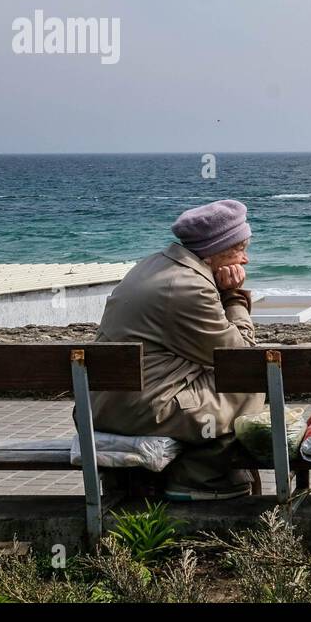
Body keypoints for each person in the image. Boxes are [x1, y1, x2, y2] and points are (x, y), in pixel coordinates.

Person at [90, 199, 267, 500]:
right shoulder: (190, 287)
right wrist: (233, 297)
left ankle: (186, 473)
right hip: (141, 410)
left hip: (104, 402)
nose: (246, 260)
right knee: (252, 386)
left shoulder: (154, 264)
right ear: (214, 251)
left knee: (221, 385)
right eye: (240, 249)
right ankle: (199, 477)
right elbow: (241, 359)